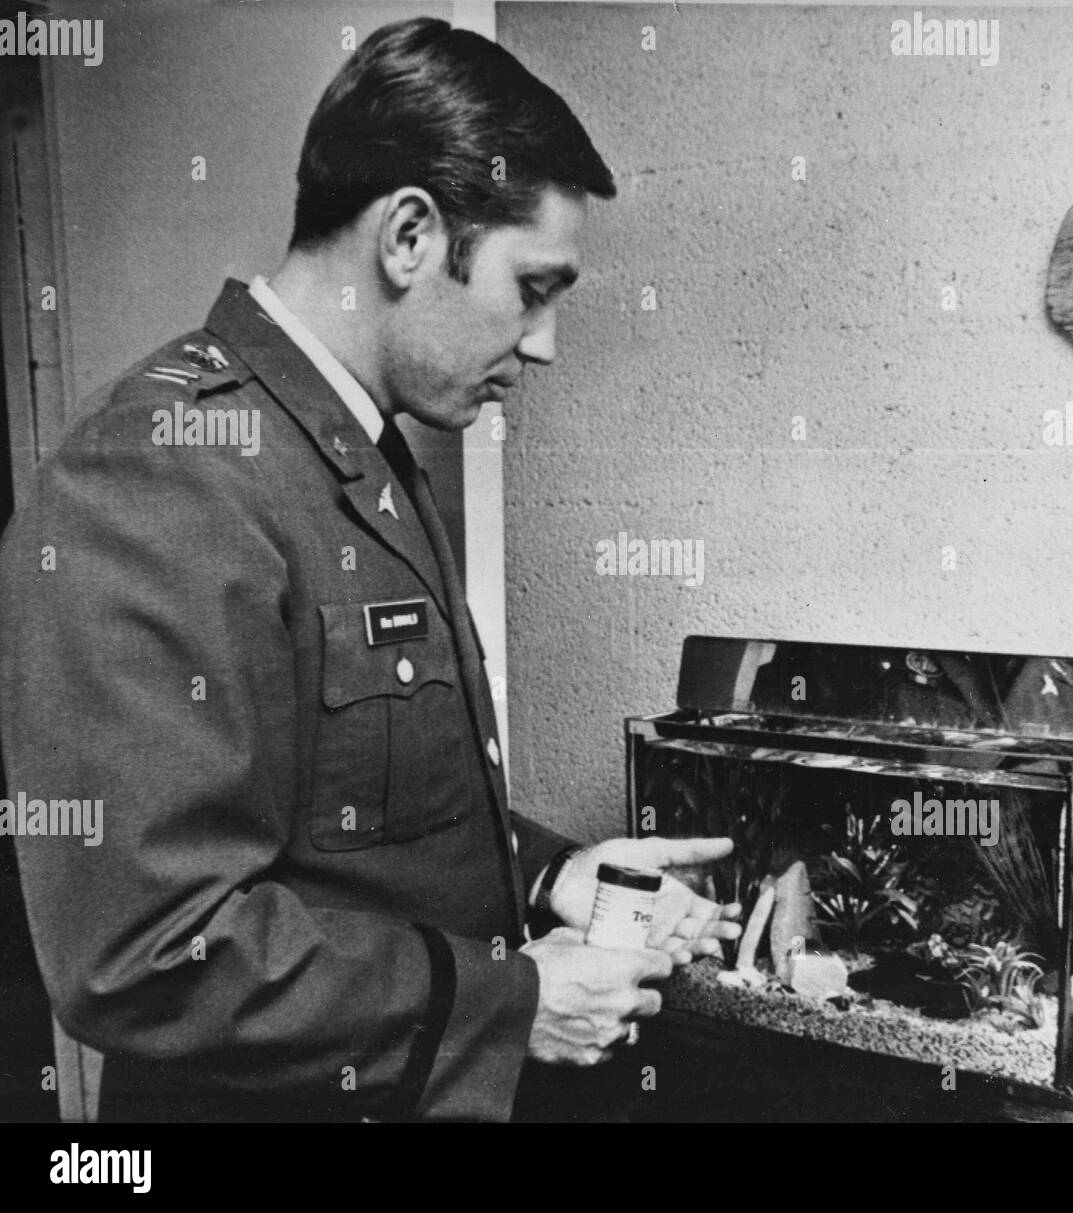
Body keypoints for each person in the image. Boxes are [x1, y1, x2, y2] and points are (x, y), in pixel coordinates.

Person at [0, 17, 739, 1123]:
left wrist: (548, 876)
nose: (542, 346)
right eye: (532, 289)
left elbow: (362, 814)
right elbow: (147, 948)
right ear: (407, 236)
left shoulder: (359, 450)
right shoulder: (155, 474)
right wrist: (512, 1002)